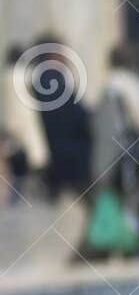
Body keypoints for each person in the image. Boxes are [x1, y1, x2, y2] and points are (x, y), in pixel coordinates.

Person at [91, 42, 139, 255]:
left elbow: (110, 135)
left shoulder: (112, 90)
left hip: (131, 163)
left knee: (132, 217)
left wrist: (101, 173)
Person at [27, 37, 92, 201]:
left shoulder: (44, 80)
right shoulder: (51, 81)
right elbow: (73, 117)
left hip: (61, 157)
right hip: (67, 158)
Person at [3, 44, 51, 204]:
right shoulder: (24, 74)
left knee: (15, 160)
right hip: (26, 121)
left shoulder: (4, 76)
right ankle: (37, 190)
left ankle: (17, 193)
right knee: (33, 158)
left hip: (9, 124)